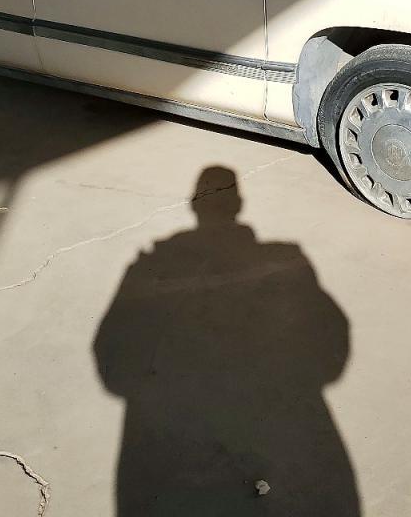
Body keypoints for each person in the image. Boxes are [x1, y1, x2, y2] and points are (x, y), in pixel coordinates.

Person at [94, 166, 359, 516]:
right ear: (239, 204)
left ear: (194, 205)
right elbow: (334, 331)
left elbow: (110, 354)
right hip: (287, 423)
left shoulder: (150, 264)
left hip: (177, 437)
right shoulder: (286, 259)